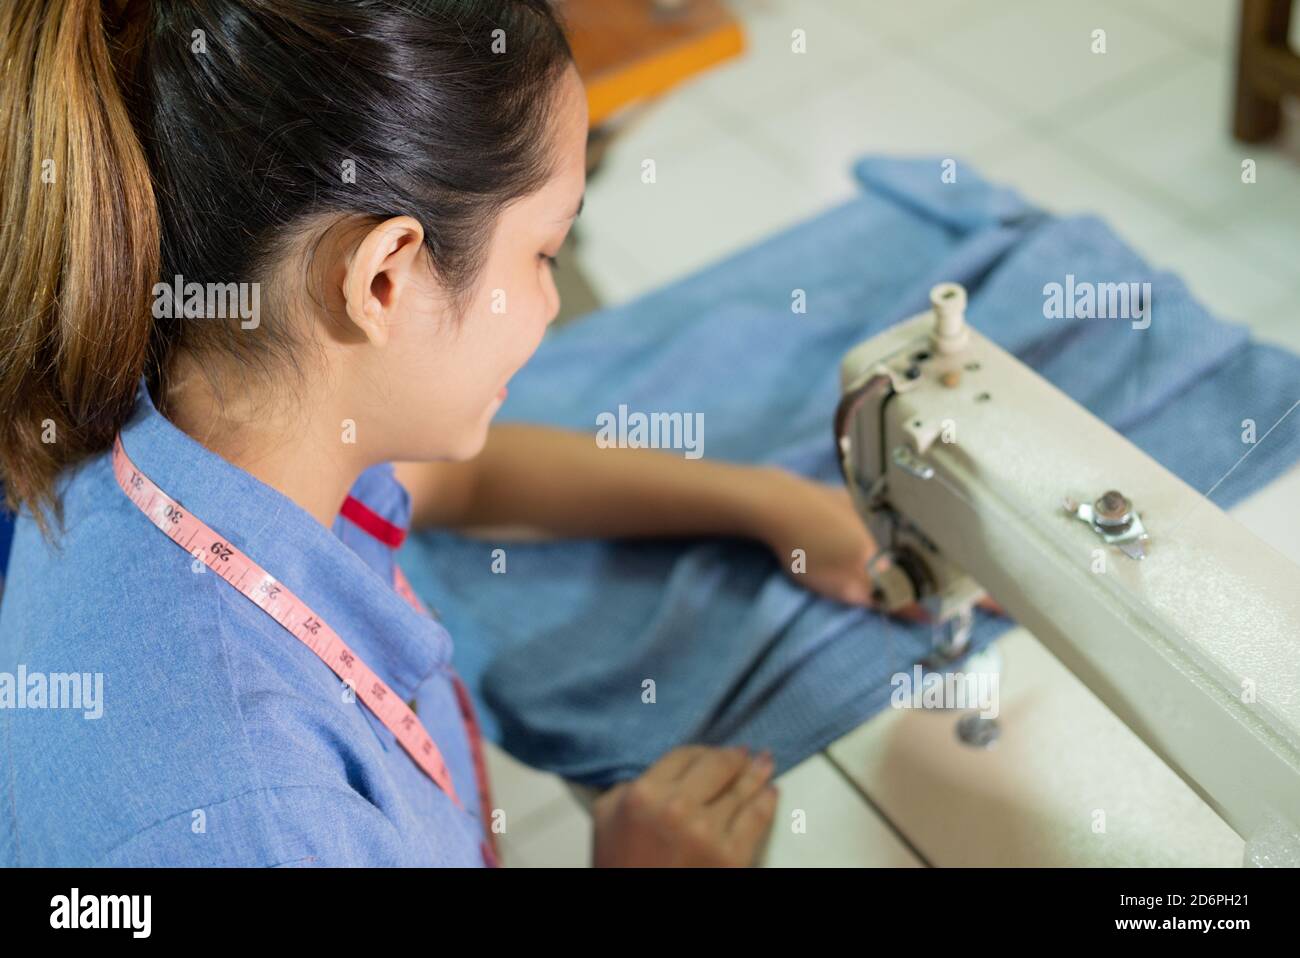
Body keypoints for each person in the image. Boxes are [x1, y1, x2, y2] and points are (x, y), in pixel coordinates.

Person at [0, 0, 910, 867]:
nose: (551, 307)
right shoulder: (258, 822)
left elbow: (461, 485)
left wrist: (767, 502)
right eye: (545, 255)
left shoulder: (193, 420)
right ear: (384, 279)